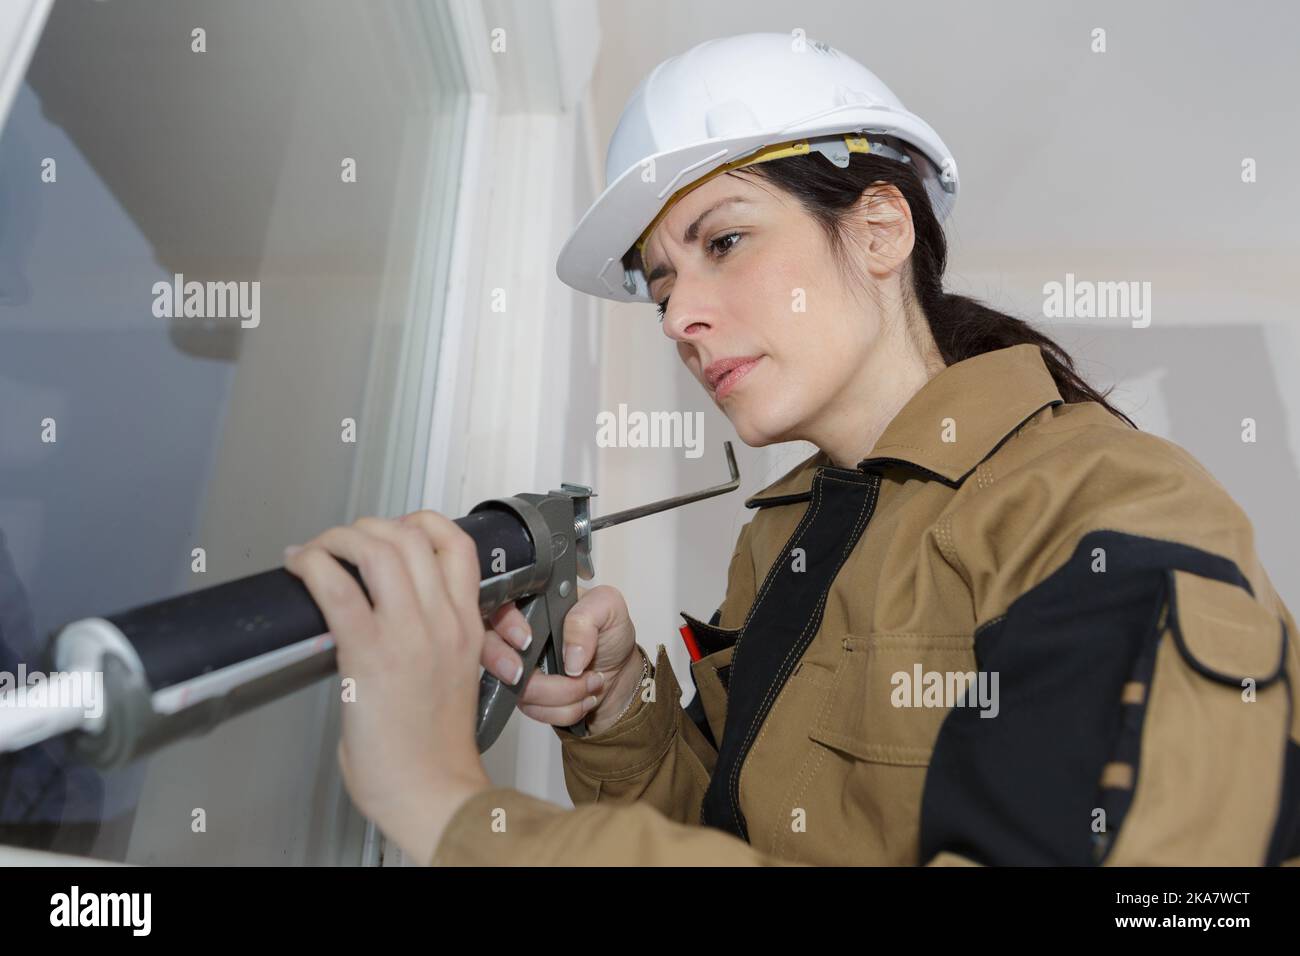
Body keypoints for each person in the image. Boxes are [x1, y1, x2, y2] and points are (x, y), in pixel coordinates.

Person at [282, 32, 1299, 866]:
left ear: (877, 231)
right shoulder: (784, 534)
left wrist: (447, 804)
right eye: (662, 280)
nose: (680, 314)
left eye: (722, 242)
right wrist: (620, 707)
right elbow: (732, 830)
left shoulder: (1103, 503)